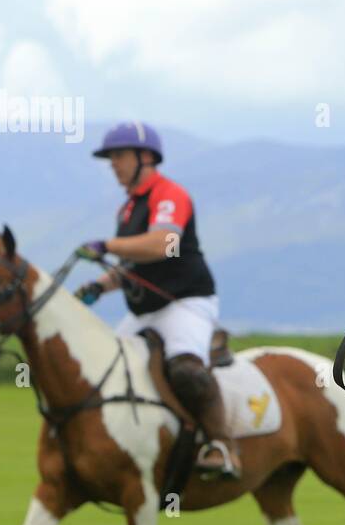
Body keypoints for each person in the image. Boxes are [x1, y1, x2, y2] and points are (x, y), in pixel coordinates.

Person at [74, 121, 239, 480]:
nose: (113, 164)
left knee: (185, 370)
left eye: (118, 156)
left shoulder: (169, 195)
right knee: (108, 366)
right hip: (146, 312)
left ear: (145, 157)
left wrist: (107, 245)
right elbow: (132, 265)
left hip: (186, 303)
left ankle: (222, 446)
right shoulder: (128, 209)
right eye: (110, 158)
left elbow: (164, 244)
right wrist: (99, 287)